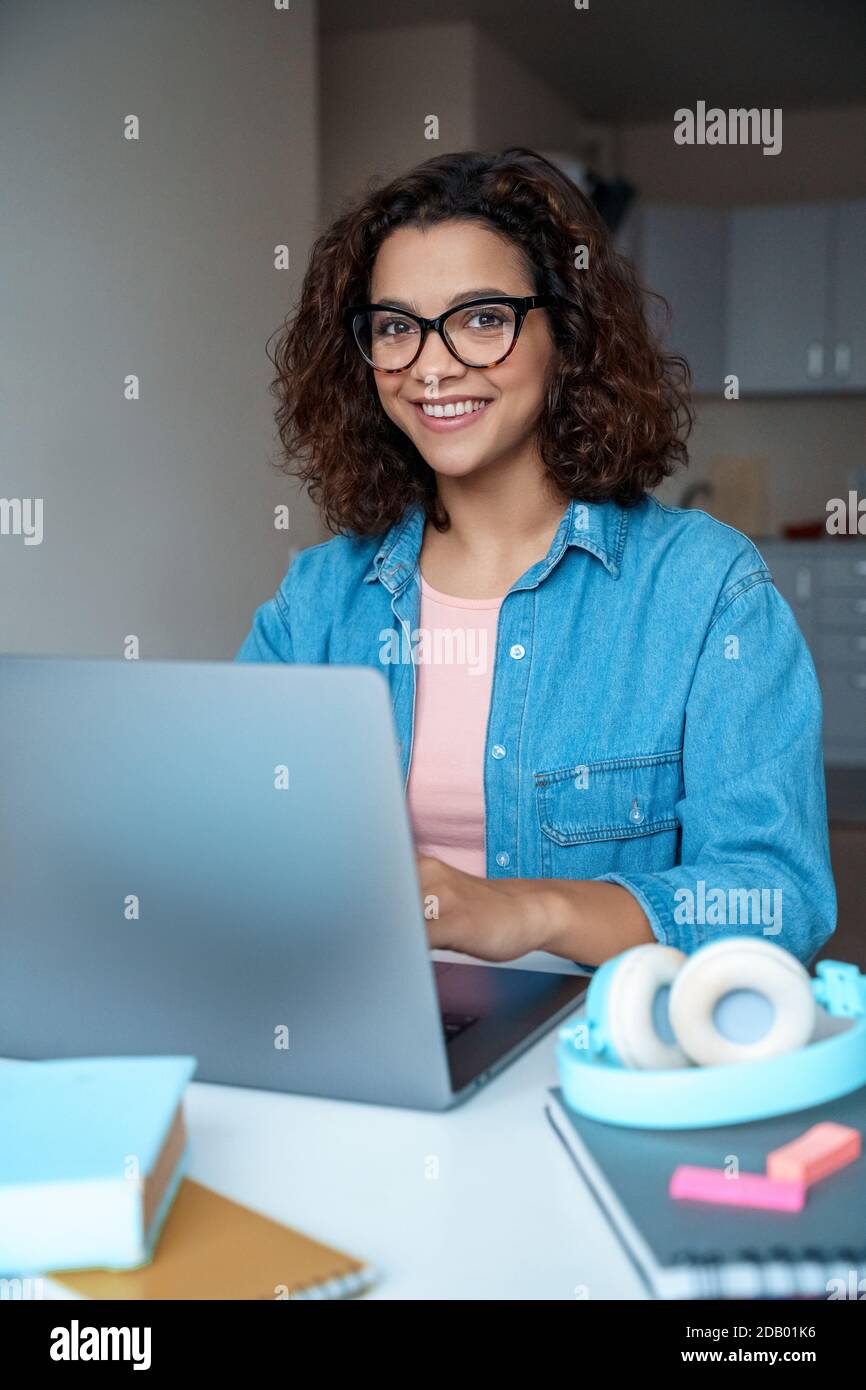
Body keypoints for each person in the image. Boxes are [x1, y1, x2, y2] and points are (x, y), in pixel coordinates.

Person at [237, 147, 835, 969]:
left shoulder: (706, 589)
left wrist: (527, 912)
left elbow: (776, 896)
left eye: (483, 318)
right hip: (361, 1014)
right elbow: (234, 848)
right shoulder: (316, 601)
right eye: (396, 327)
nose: (432, 366)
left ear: (568, 335)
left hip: (595, 1033)